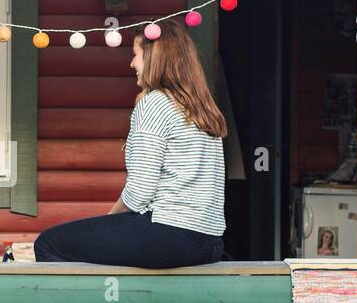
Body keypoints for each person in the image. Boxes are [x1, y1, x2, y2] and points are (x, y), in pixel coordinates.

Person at [34, 20, 226, 268]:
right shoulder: (204, 109)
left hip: (168, 235)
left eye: (136, 55)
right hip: (210, 242)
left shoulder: (154, 104)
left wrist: (109, 220)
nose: (132, 64)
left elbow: (139, 192)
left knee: (48, 243)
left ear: (155, 58)